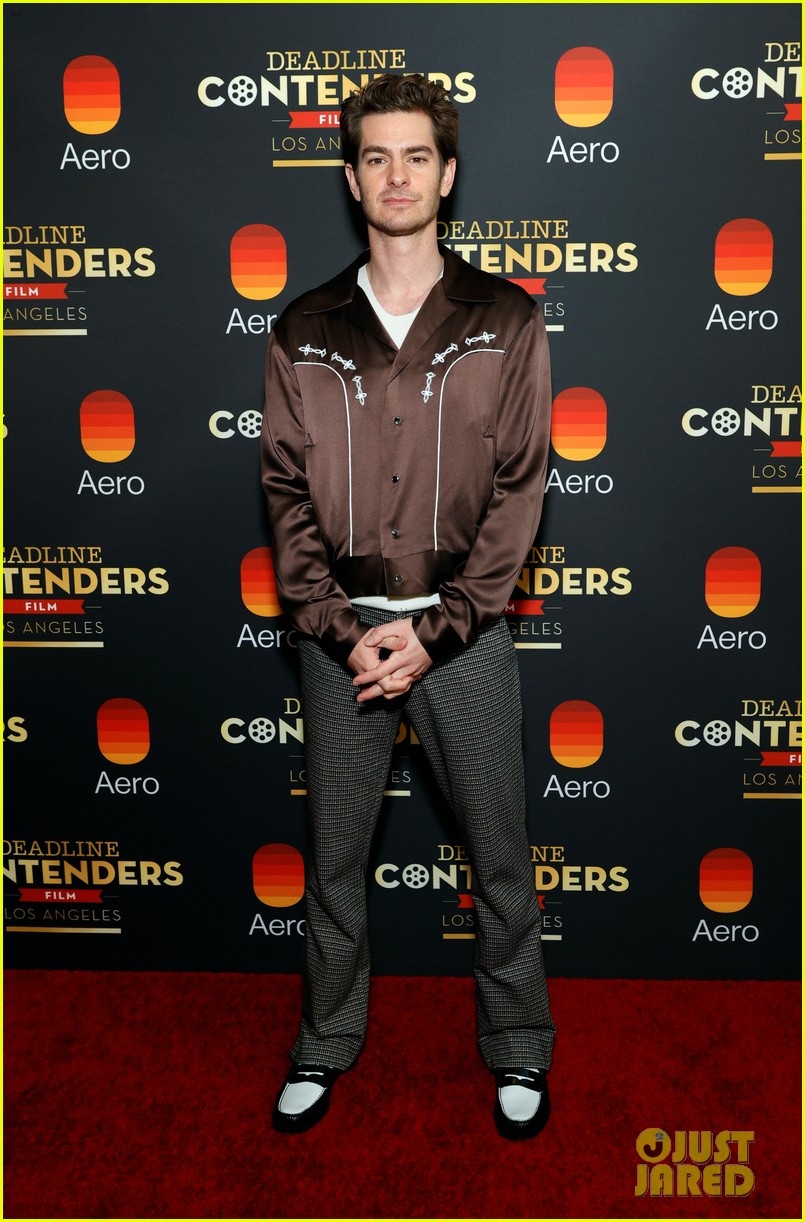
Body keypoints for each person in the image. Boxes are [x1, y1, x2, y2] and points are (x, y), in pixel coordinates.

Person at [261, 73, 555, 1141]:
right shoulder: (301, 325)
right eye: (376, 156)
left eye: (416, 156)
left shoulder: (506, 320)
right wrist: (349, 634)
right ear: (350, 177)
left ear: (448, 173)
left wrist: (430, 637)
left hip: (462, 640)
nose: (396, 175)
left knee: (501, 856)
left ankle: (518, 1045)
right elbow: (286, 497)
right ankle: (325, 1041)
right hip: (339, 642)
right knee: (334, 858)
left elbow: (520, 493)